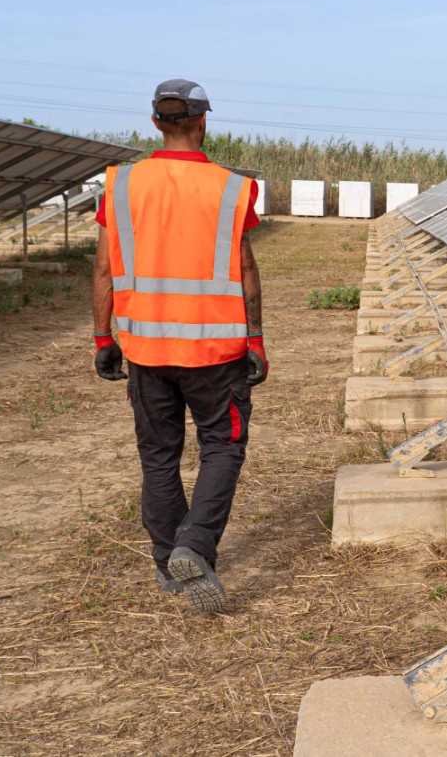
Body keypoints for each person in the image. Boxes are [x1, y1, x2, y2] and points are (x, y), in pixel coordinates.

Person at [91, 79, 267, 614]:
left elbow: (103, 268)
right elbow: (244, 269)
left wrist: (104, 337)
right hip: (217, 349)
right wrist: (255, 338)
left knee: (158, 454)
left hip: (145, 348)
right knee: (221, 446)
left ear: (155, 124)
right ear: (202, 121)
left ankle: (169, 556)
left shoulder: (119, 184)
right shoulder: (234, 188)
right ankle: (195, 544)